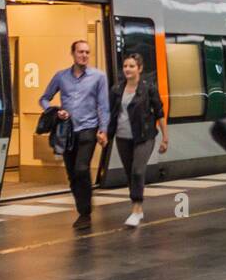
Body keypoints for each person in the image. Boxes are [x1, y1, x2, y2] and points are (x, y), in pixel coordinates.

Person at [39, 40, 109, 231]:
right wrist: (55, 111)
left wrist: (103, 129)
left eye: (87, 52)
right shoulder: (61, 76)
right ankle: (83, 208)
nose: (84, 55)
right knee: (72, 174)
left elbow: (103, 106)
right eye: (80, 52)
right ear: (73, 54)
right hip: (67, 132)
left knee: (81, 169)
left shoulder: (98, 77)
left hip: (89, 129)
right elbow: (44, 98)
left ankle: (85, 213)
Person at [106, 53, 167, 227]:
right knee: (129, 173)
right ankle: (137, 208)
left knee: (138, 171)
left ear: (139, 69)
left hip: (144, 137)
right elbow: (111, 114)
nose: (127, 69)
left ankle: (136, 209)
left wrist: (165, 138)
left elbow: (159, 113)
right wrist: (104, 133)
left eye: (131, 66)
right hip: (122, 137)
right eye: (125, 66)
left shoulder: (149, 89)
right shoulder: (116, 90)